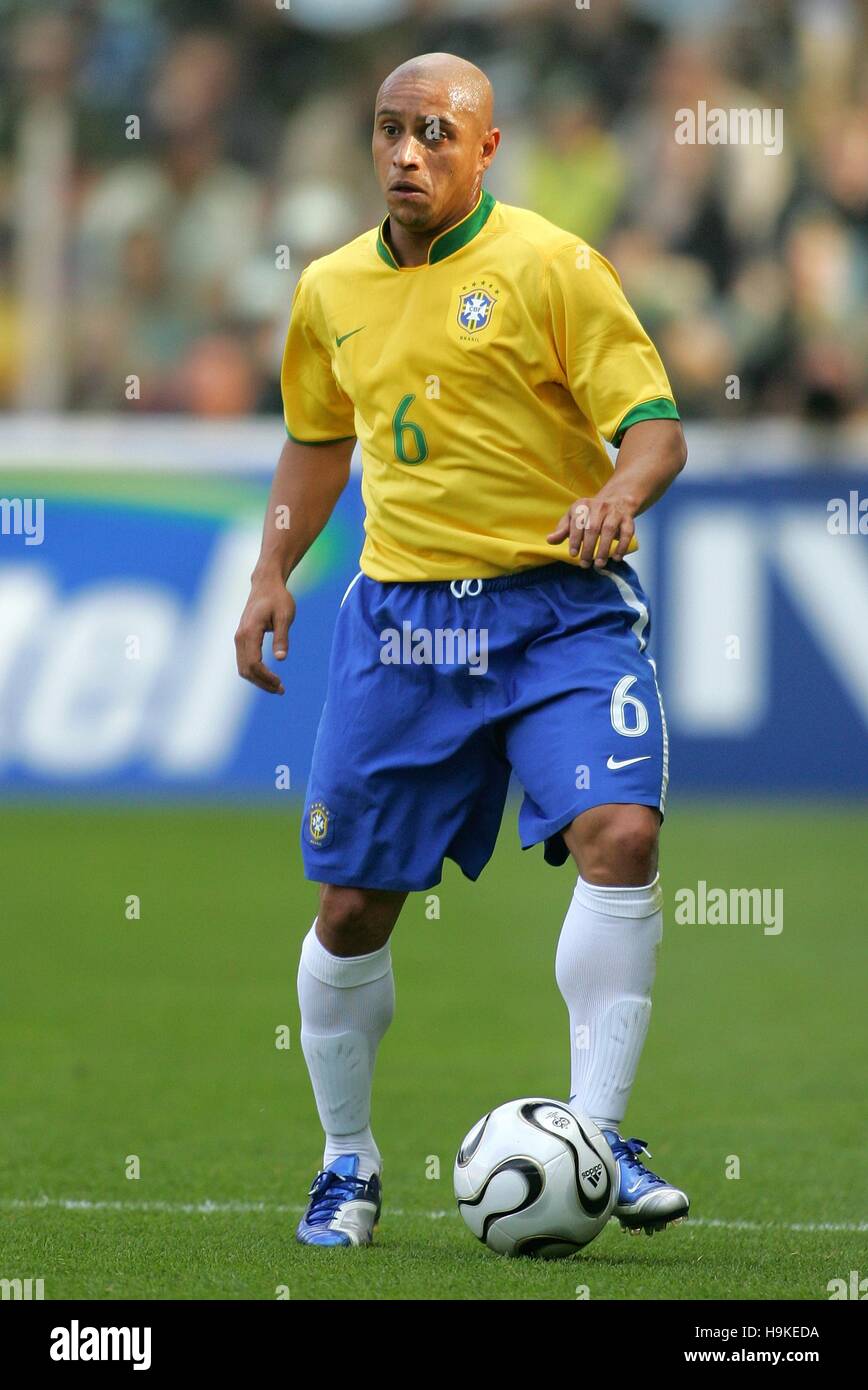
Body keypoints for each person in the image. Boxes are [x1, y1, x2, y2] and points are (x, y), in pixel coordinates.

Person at [235, 51, 689, 1249]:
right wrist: (271, 569)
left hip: (558, 607)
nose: (405, 154)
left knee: (622, 833)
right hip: (405, 625)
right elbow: (316, 441)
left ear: (486, 150)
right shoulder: (330, 288)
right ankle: (346, 1163)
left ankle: (593, 1135)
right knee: (349, 912)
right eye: (388, 131)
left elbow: (652, 430)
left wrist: (615, 496)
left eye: (435, 133)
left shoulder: (551, 266)